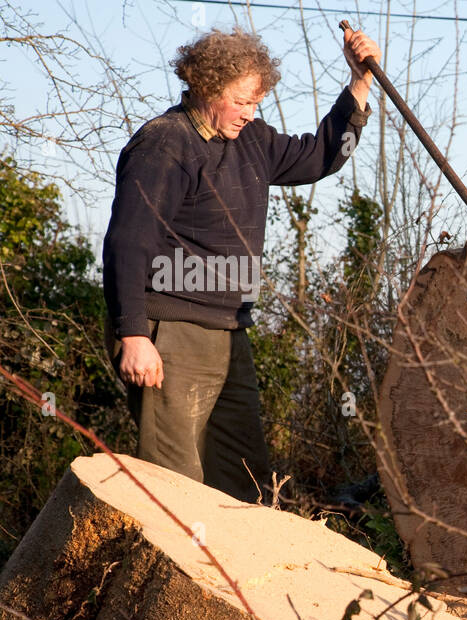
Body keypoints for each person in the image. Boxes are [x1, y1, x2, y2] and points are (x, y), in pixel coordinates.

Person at [102, 25, 379, 503]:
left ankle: (235, 579)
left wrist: (358, 85)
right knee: (176, 485)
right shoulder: (165, 144)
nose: (251, 114)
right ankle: (169, 576)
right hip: (170, 332)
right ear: (208, 88)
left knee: (245, 483)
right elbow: (127, 242)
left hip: (230, 333)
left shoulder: (252, 140)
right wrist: (133, 335)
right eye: (242, 102)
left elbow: (321, 158)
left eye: (257, 103)